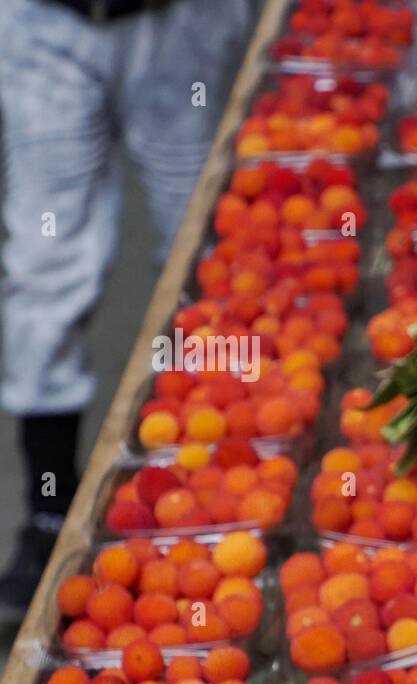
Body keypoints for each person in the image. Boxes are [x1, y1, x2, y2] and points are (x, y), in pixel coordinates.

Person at [0, 0, 253, 617]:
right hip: (46, 22)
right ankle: (48, 513)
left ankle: (205, 503)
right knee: (44, 262)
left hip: (184, 22)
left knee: (202, 257)